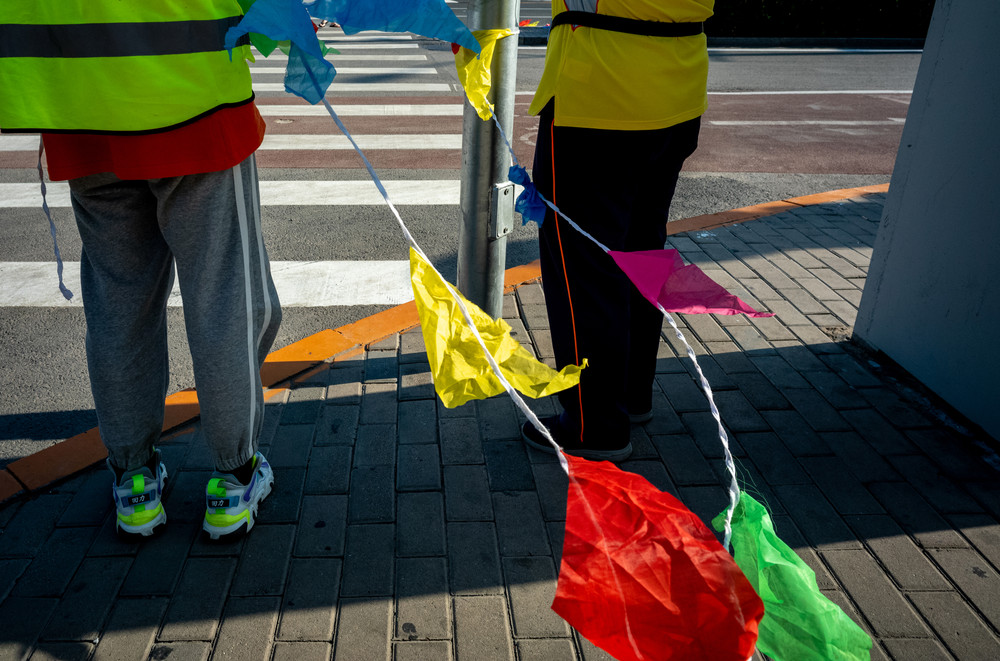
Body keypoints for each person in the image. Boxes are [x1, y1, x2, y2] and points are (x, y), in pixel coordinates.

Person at [0, 1, 282, 540]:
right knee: (224, 296)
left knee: (118, 304)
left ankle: (135, 480)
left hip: (81, 109)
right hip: (195, 104)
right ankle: (235, 478)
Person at [520, 0, 715, 461]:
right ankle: (629, 396)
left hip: (598, 95)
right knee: (640, 251)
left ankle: (594, 424)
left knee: (585, 269)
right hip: (679, 86)